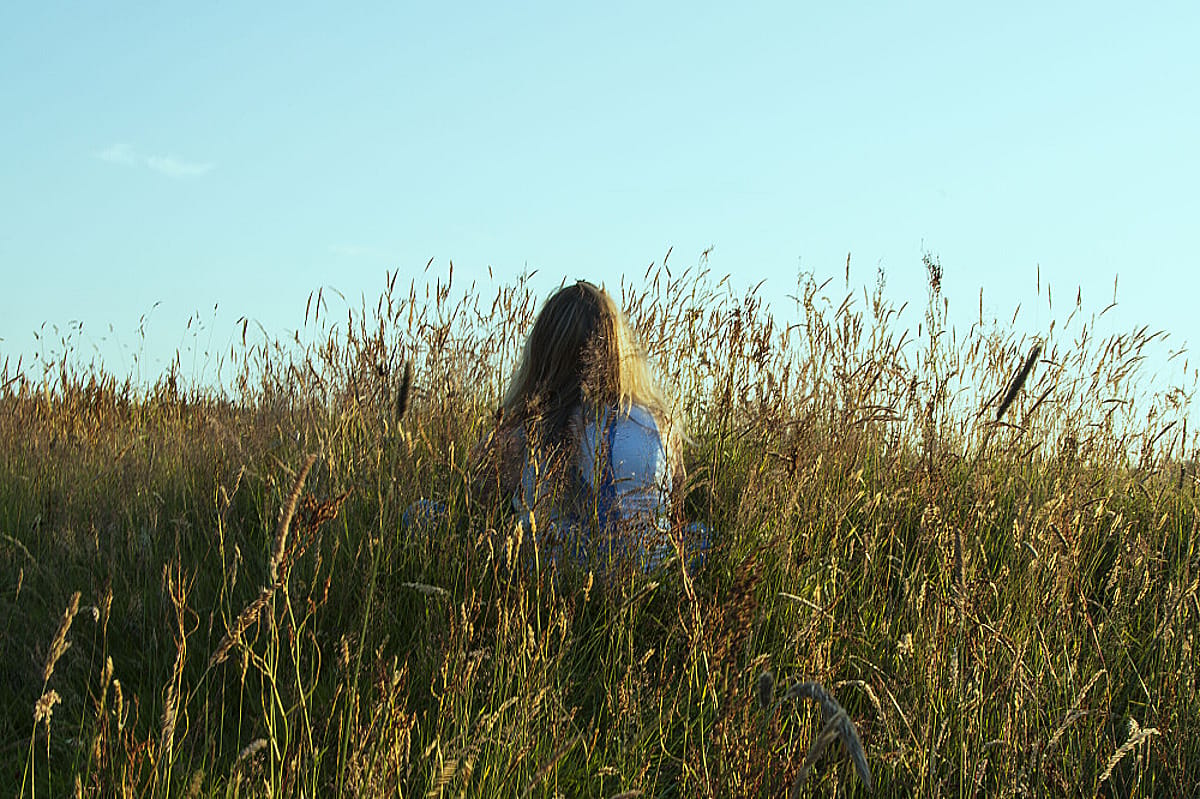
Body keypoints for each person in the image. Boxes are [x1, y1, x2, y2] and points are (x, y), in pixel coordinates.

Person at [473, 280, 706, 573]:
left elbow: (477, 512)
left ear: (543, 353)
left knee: (420, 514)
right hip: (648, 581)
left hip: (553, 592)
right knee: (702, 535)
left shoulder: (520, 433)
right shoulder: (660, 424)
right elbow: (675, 513)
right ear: (617, 351)